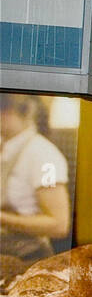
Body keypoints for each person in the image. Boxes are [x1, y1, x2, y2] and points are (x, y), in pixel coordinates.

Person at [0, 95, 71, 264]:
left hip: (28, 258)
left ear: (10, 112)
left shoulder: (44, 156)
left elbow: (59, 224)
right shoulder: (5, 146)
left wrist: (3, 219)